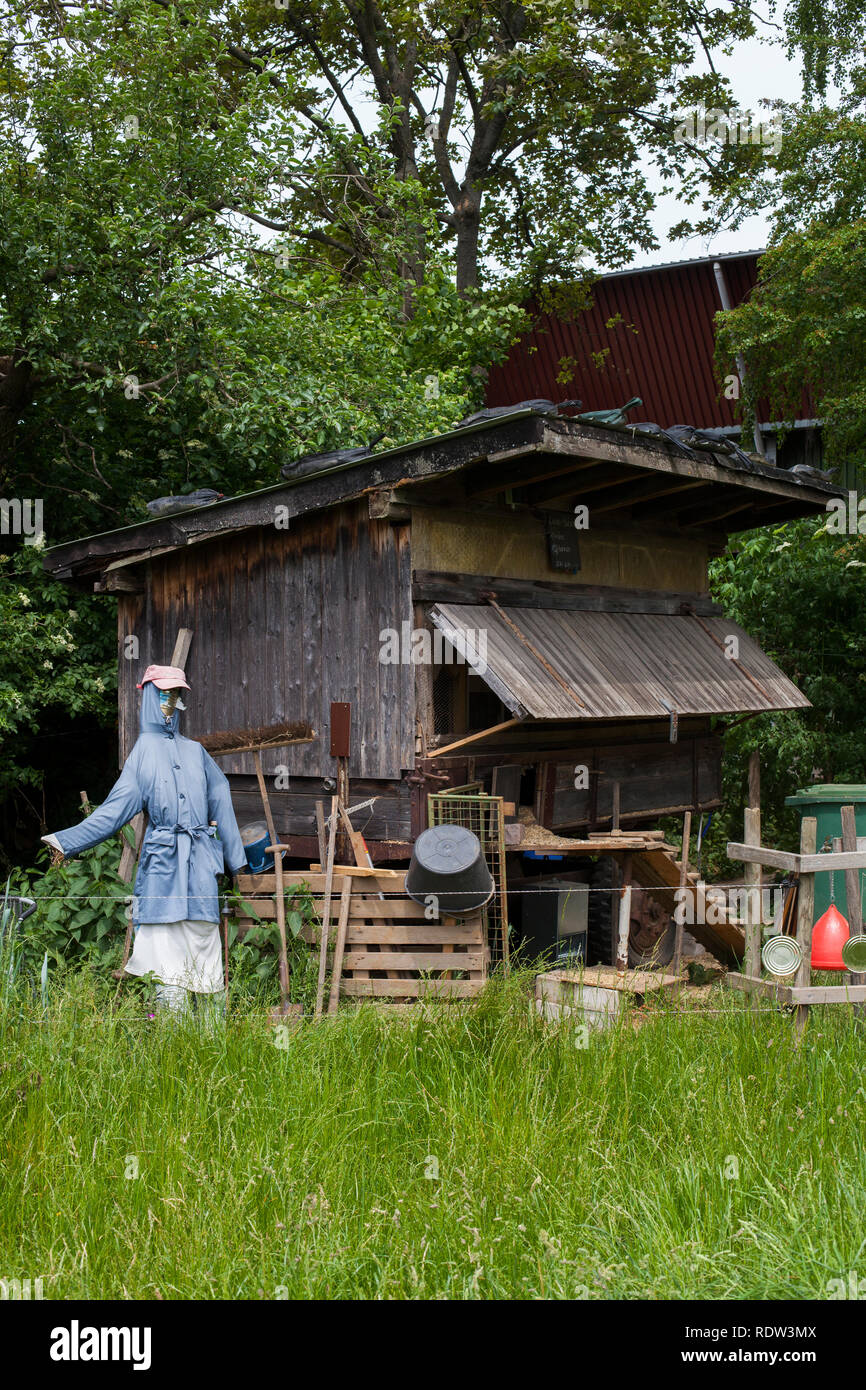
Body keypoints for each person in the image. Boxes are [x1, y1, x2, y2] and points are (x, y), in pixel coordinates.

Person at [42, 665, 247, 1016]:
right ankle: (173, 1052)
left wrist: (236, 859)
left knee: (208, 962)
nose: (170, 701)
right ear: (149, 697)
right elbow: (114, 812)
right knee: (166, 964)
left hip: (200, 871)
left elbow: (221, 795)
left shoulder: (196, 751)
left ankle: (212, 1049)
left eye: (176, 694)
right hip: (164, 873)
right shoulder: (143, 755)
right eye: (164, 694)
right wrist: (65, 841)